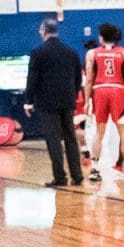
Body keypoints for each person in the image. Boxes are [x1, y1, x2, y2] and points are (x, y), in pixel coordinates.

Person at [23, 19, 85, 187]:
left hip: (47, 102)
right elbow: (78, 78)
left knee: (54, 139)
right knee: (70, 138)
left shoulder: (38, 52)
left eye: (40, 30)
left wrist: (28, 101)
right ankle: (77, 175)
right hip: (67, 101)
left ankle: (60, 177)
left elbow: (32, 78)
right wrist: (73, 95)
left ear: (44, 31)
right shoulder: (71, 52)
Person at [82, 24, 124, 182]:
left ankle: (95, 169)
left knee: (99, 133)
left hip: (100, 90)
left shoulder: (92, 53)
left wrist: (86, 101)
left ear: (101, 37)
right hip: (117, 90)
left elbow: (89, 79)